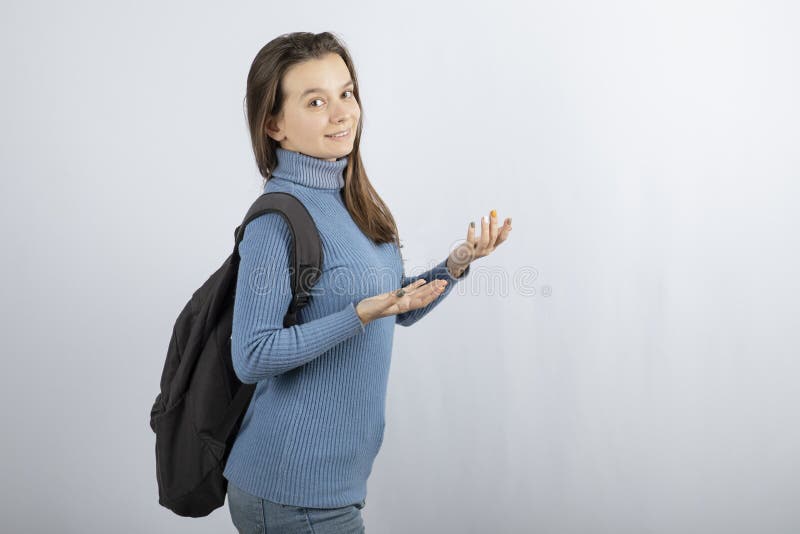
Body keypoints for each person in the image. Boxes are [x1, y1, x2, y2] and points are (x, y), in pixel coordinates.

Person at [224, 31, 512, 534]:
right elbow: (251, 355)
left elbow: (397, 305)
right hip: (291, 491)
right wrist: (359, 314)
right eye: (315, 101)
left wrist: (457, 263)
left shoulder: (354, 201)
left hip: (334, 486)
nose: (341, 113)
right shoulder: (275, 222)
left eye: (347, 93)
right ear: (274, 124)